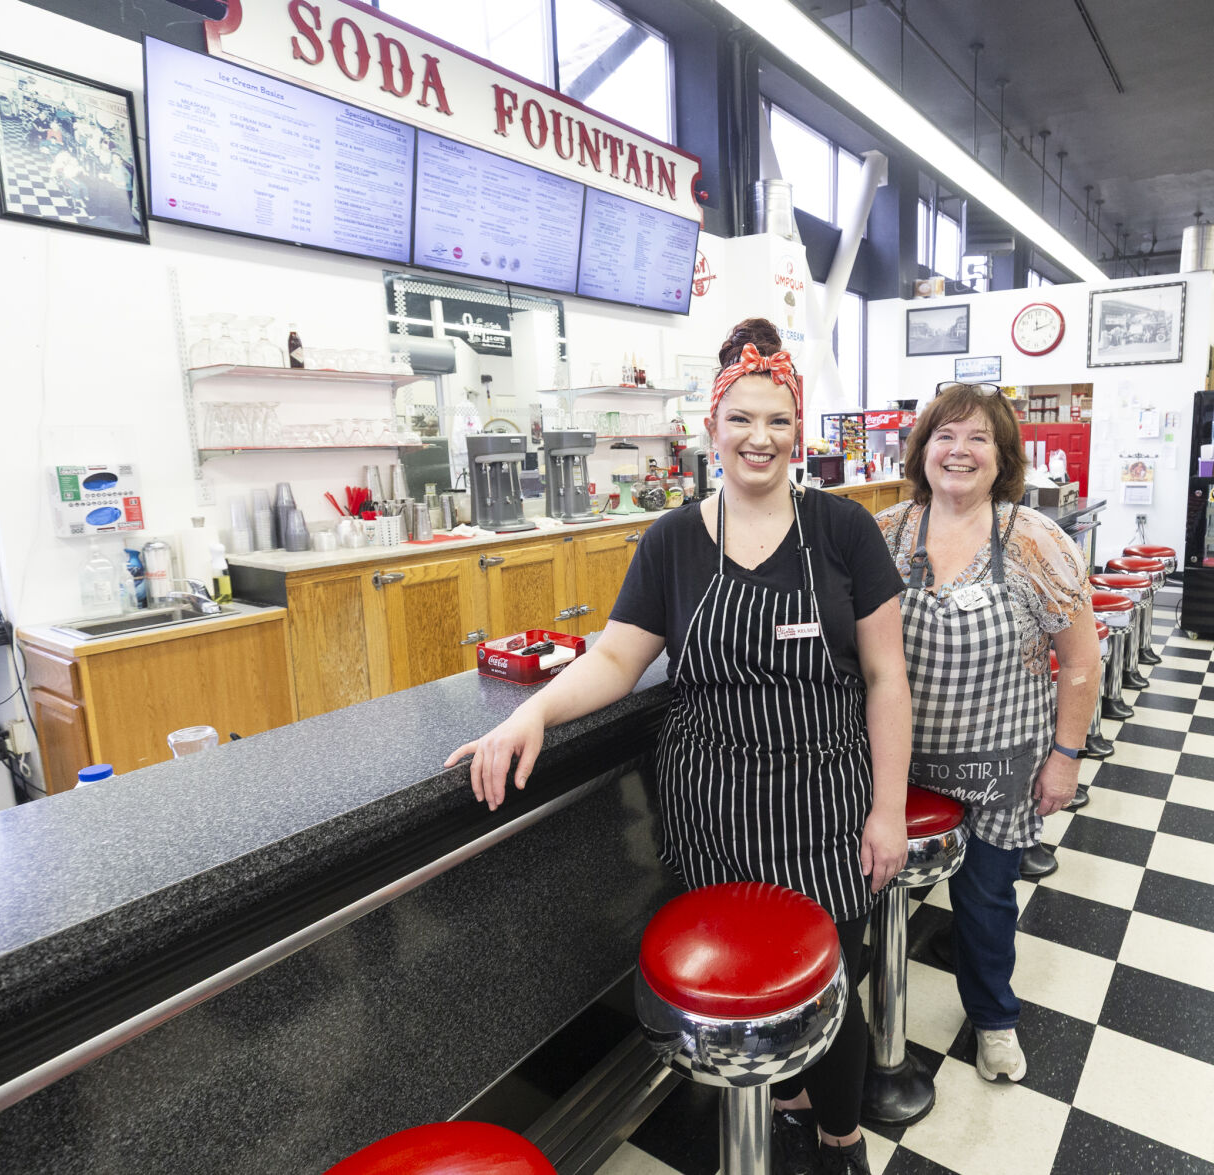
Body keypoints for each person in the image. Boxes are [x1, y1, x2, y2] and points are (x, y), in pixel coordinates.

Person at [447, 318, 909, 1175]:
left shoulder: (844, 532)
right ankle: (780, 1100)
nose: (758, 437)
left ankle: (839, 1137)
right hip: (716, 808)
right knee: (750, 975)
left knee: (829, 978)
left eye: (776, 420)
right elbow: (619, 657)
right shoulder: (669, 541)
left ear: (797, 430)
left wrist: (887, 809)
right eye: (740, 419)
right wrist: (534, 714)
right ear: (711, 429)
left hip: (826, 801)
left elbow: (886, 678)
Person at [874, 383, 1102, 1083]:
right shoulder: (885, 533)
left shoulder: (1034, 540)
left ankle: (994, 1016)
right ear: (921, 450)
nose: (959, 451)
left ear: (1003, 456)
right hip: (897, 762)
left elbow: (1083, 661)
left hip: (999, 764)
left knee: (984, 897)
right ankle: (869, 1024)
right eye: (944, 435)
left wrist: (1064, 757)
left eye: (978, 438)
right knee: (878, 892)